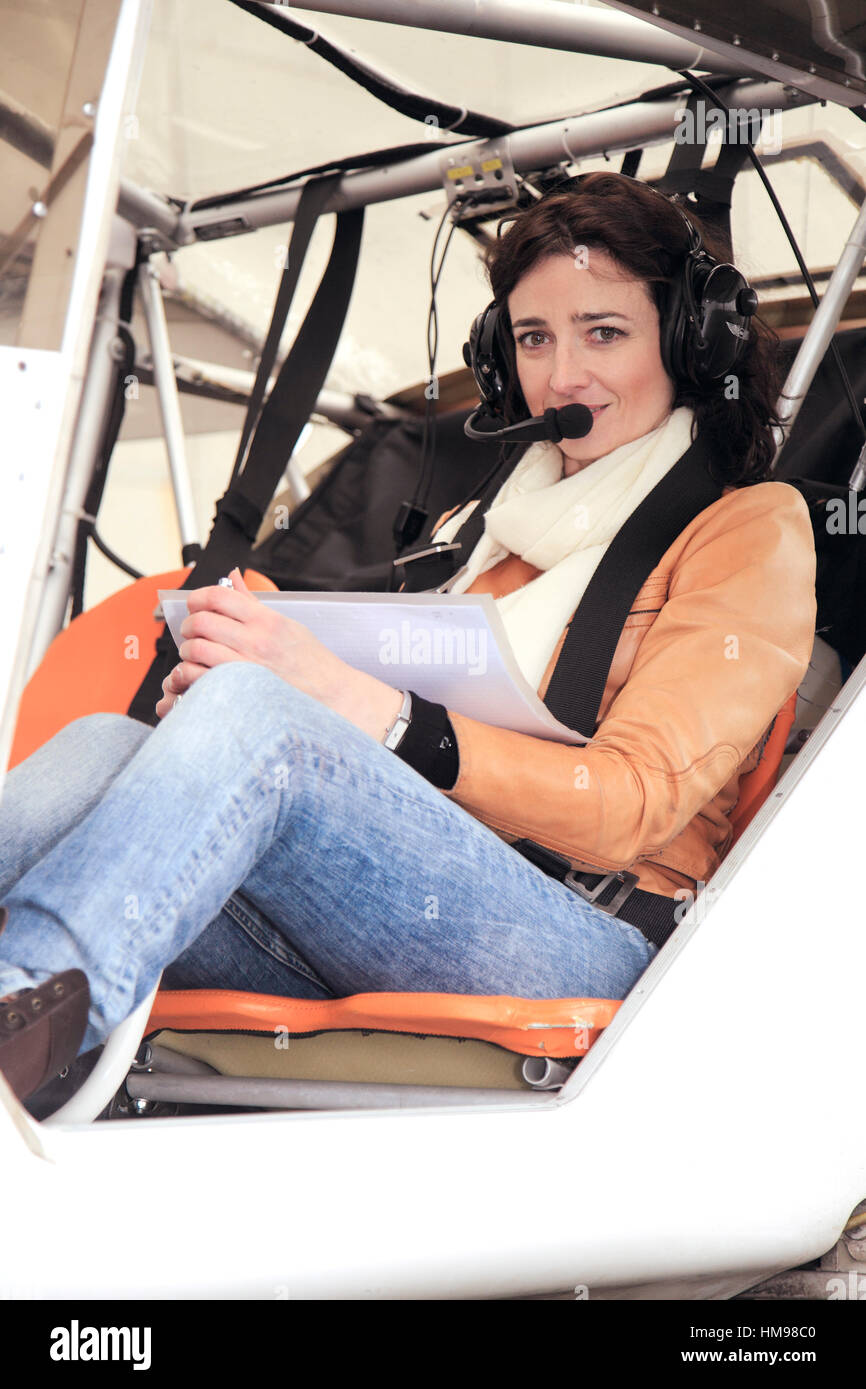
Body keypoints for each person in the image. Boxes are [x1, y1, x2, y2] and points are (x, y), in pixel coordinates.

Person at [0, 172, 816, 1103]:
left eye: (605, 332)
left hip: (585, 937)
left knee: (263, 721)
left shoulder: (748, 530)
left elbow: (631, 805)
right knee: (118, 741)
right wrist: (219, 719)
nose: (563, 375)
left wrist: (361, 713)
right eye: (534, 338)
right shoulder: (479, 527)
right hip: (383, 913)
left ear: (687, 346)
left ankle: (21, 1008)